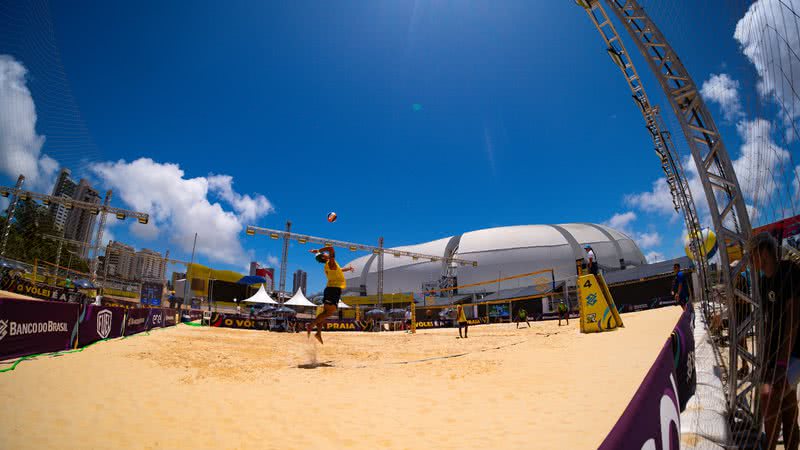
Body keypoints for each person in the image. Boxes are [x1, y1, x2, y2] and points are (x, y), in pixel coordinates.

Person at [750, 232, 800, 450]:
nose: (750, 262)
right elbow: (770, 324)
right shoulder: (763, 282)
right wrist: (765, 360)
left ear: (763, 252)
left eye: (751, 256)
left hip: (797, 350)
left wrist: (780, 365)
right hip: (778, 352)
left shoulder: (791, 271)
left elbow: (793, 321)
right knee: (788, 407)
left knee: (769, 395)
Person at [307, 246, 355, 344]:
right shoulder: (330, 263)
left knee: (324, 313)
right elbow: (331, 248)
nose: (327, 254)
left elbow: (340, 270)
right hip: (333, 290)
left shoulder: (331, 265)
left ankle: (318, 333)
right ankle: (311, 325)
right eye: (325, 255)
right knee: (328, 313)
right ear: (324, 258)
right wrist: (319, 251)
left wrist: (348, 269)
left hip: (331, 289)